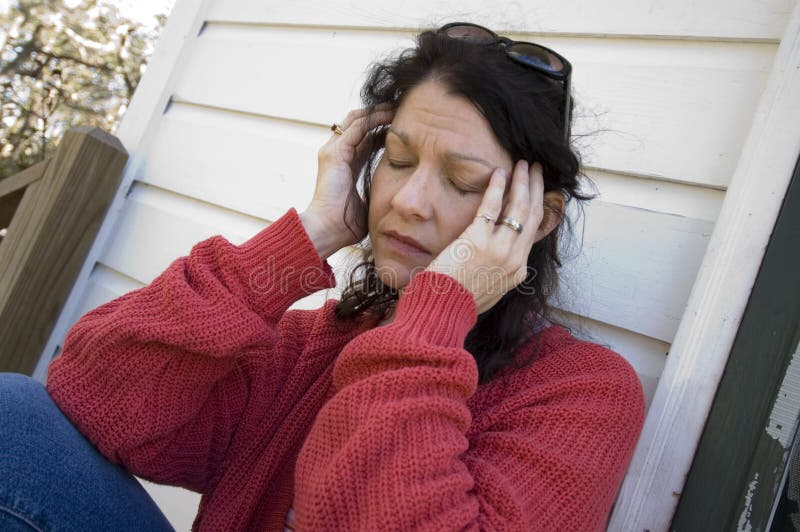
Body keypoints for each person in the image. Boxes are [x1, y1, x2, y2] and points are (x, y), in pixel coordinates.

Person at [0, 22, 645, 531]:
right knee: (15, 416)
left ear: (535, 219)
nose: (409, 200)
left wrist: (437, 312)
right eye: (396, 159)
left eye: (462, 181)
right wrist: (311, 234)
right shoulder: (316, 347)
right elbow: (94, 393)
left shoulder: (580, 393)